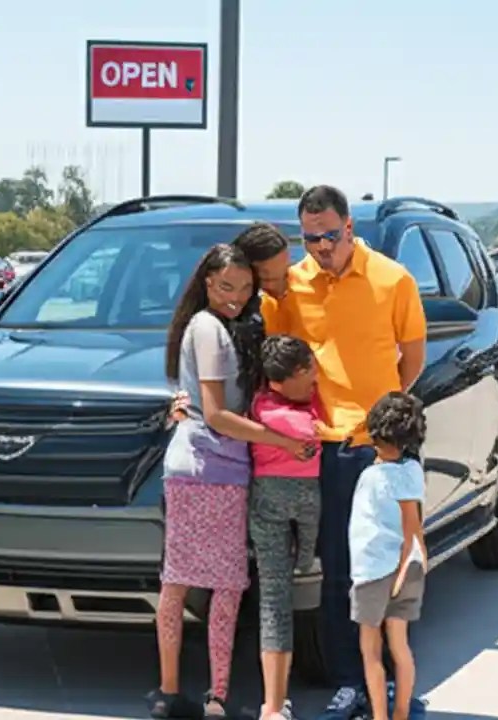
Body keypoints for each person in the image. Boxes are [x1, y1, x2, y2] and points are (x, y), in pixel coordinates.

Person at [233, 188, 428, 720]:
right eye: (308, 237)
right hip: (324, 449)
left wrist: (384, 417)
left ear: (348, 227)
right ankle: (350, 683)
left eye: (327, 235)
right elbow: (278, 364)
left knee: (390, 570)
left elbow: (412, 358)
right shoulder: (289, 286)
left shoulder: (393, 279)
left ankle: (389, 685)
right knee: (341, 569)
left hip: (378, 449)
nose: (318, 246)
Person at [150, 243, 317, 720]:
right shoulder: (207, 328)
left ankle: (175, 693)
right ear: (206, 282)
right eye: (226, 287)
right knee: (217, 586)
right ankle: (211, 697)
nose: (236, 297)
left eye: (245, 288)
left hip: (202, 465)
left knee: (184, 582)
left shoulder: (221, 327)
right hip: (210, 468)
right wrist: (282, 442)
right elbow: (220, 415)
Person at [249, 334, 324, 720]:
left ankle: (272, 706)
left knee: (273, 601)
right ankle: (306, 560)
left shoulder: (259, 406)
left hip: (263, 499)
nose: (316, 377)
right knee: (304, 559)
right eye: (311, 370)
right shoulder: (304, 415)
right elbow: (317, 432)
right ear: (293, 374)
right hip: (304, 494)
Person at [350, 392, 428, 720]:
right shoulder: (412, 470)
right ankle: (401, 712)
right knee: (400, 646)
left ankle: (380, 716)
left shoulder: (371, 476)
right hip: (409, 566)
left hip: (374, 569)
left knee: (370, 651)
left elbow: (406, 522)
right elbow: (414, 526)